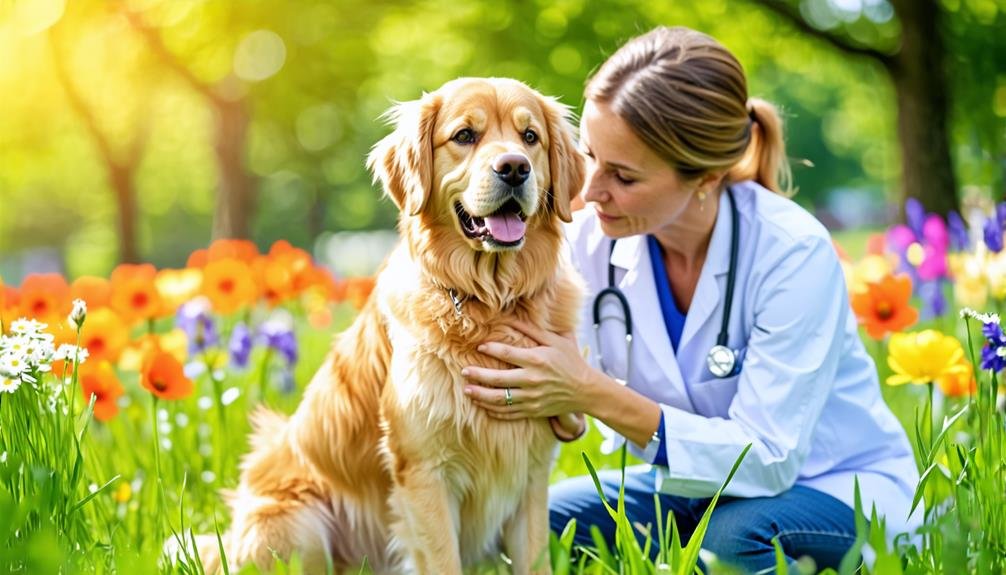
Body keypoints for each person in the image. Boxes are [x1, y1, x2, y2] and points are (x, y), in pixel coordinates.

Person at [461, 26, 920, 573]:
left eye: (623, 175)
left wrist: (588, 392)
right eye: (588, 155)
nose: (589, 189)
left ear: (703, 178)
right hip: (688, 486)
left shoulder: (791, 252)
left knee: (728, 542)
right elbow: (549, 377)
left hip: (831, 484)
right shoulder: (588, 242)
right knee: (511, 525)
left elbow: (769, 459)